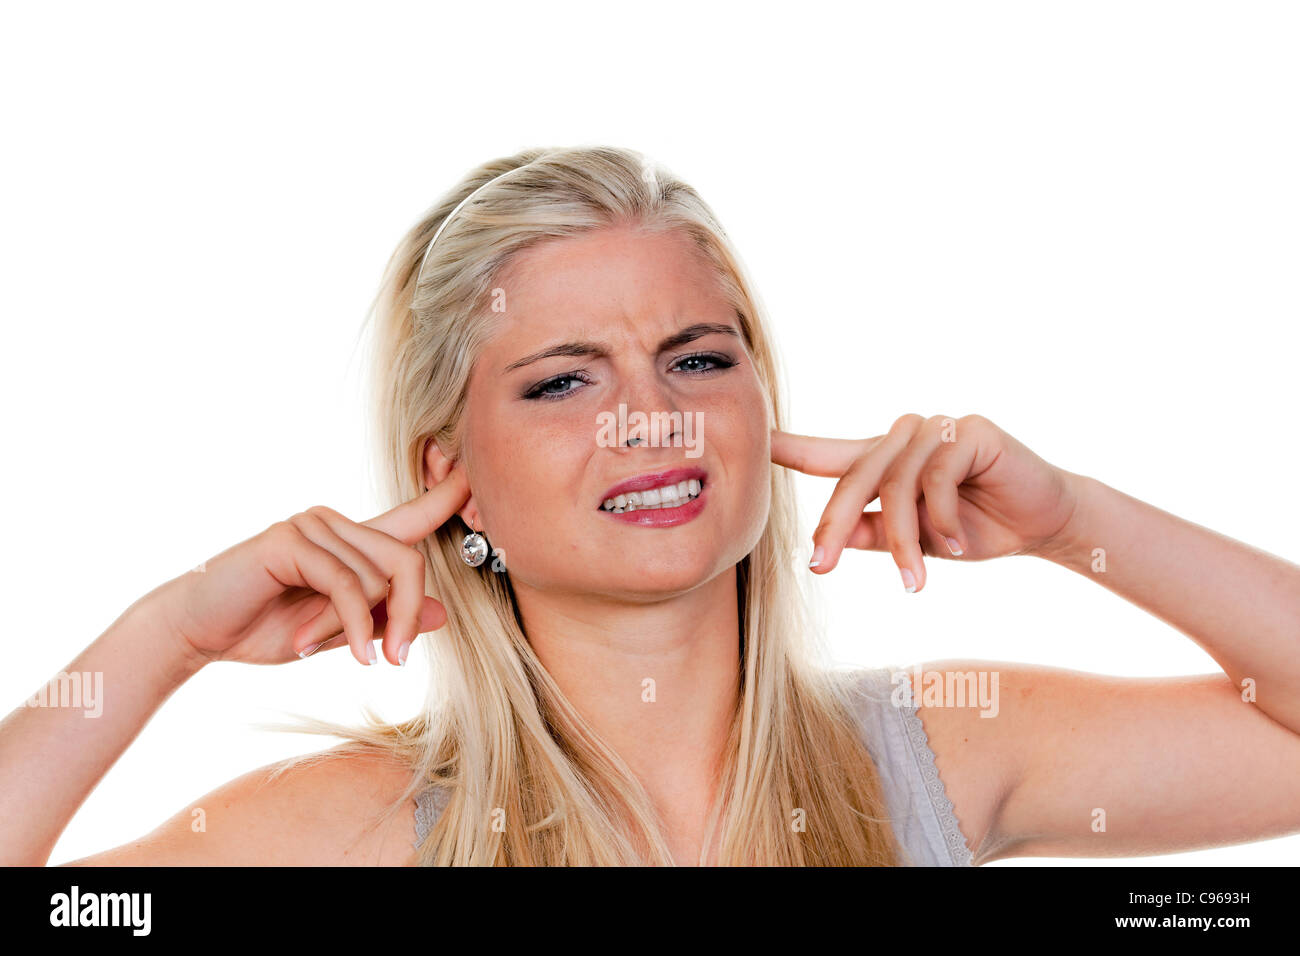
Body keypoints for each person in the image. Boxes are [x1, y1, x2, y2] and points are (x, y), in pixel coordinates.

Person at [5, 146, 1299, 866]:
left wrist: (1069, 520)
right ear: (443, 473)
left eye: (695, 357)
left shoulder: (935, 757)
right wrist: (165, 632)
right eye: (563, 380)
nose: (650, 416)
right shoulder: (359, 831)